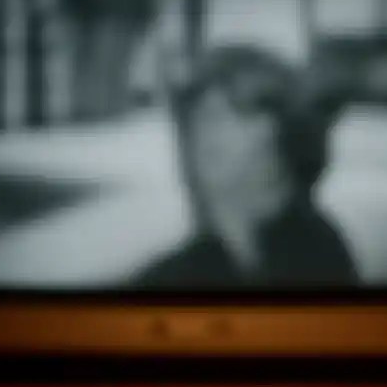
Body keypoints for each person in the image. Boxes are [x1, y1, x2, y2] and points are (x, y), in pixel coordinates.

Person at [136, 45, 357, 288]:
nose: (203, 136)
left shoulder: (315, 252)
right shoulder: (176, 272)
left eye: (217, 117)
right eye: (198, 119)